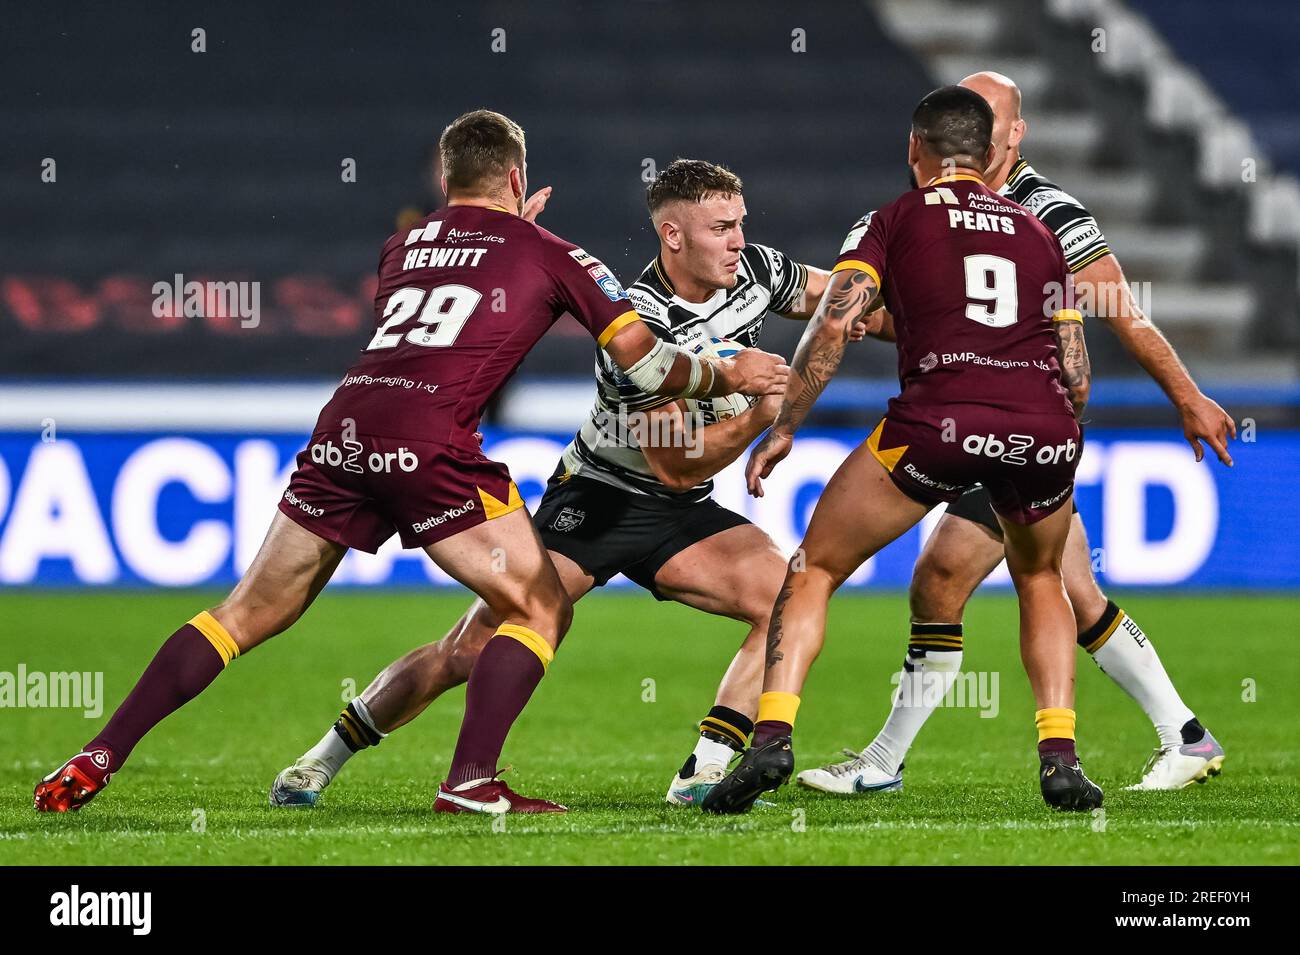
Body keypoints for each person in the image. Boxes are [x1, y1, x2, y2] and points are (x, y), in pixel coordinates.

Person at [33, 112, 788, 816]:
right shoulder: (552, 252)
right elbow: (645, 362)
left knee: (243, 614)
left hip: (345, 426)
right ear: (520, 180)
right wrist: (732, 376)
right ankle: (470, 781)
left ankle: (98, 753)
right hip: (430, 441)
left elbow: (454, 291)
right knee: (538, 606)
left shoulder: (406, 244)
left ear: (443, 179)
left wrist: (508, 241)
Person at [269, 158, 869, 809]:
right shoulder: (638, 322)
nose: (736, 240)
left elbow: (841, 297)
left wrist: (909, 320)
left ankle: (704, 768)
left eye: (739, 224)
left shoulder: (755, 270)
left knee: (787, 600)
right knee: (469, 648)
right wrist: (765, 408)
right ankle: (324, 756)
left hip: (681, 514)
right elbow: (678, 461)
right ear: (673, 236)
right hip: (598, 500)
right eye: (721, 227)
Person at [797, 72, 1231, 797]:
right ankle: (1185, 734)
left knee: (967, 579)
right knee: (1057, 587)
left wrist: (1187, 395)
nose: (981, 133)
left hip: (1026, 423)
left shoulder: (1049, 210)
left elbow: (1122, 312)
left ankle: (886, 762)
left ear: (1016, 134)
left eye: (993, 121)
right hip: (985, 415)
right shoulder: (950, 206)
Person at [702, 86, 1101, 814]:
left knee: (816, 565)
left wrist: (785, 423)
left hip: (938, 423)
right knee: (1041, 578)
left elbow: (833, 321)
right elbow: (1075, 371)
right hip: (1041, 429)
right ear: (991, 155)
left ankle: (771, 738)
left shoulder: (893, 218)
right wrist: (1045, 436)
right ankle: (1059, 757)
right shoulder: (1039, 231)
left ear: (914, 149)